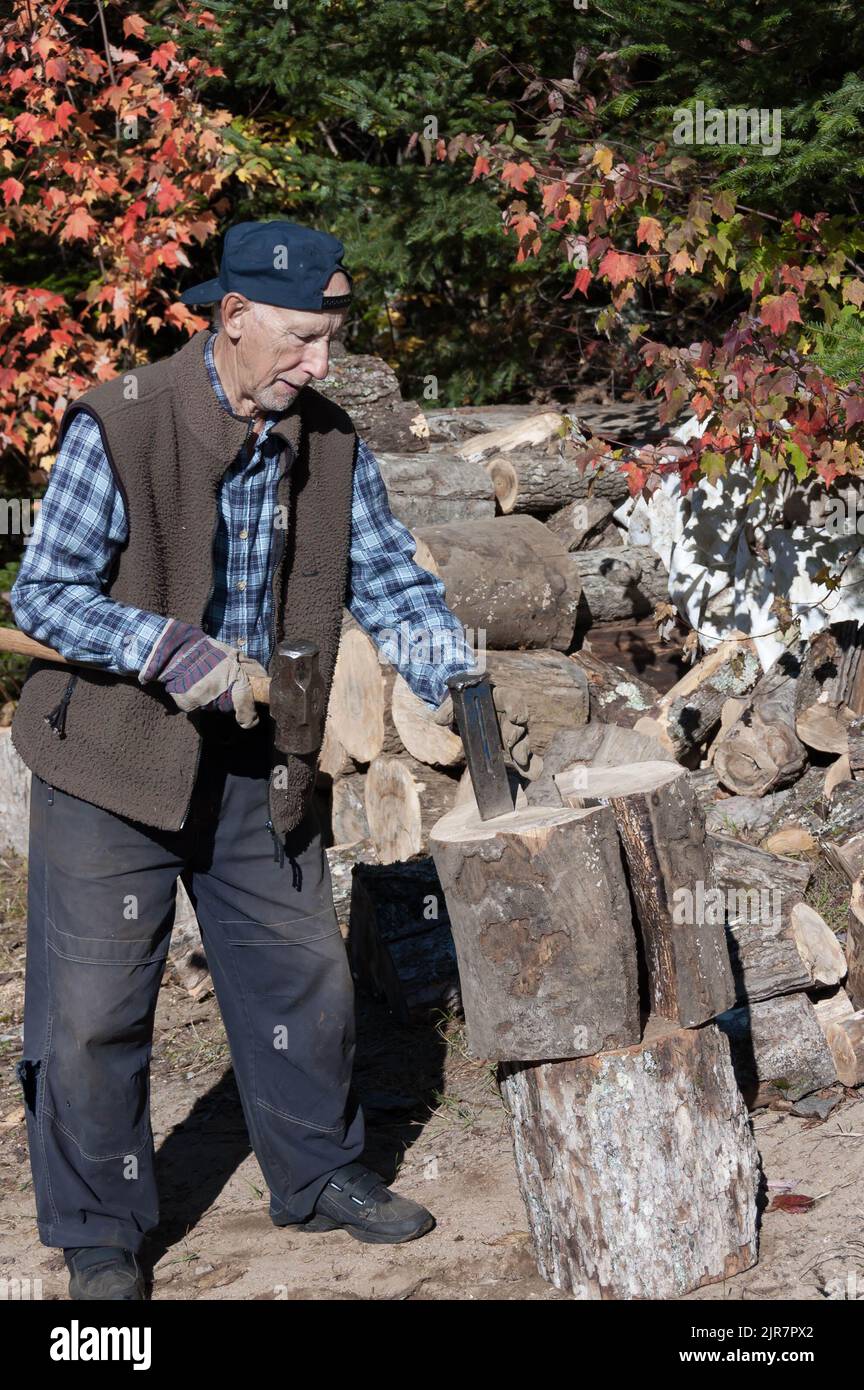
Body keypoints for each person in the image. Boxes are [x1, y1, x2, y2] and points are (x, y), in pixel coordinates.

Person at [9, 220, 522, 1301]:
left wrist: (455, 678)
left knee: (303, 975)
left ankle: (321, 1172)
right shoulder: (123, 424)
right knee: (94, 1008)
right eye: (299, 339)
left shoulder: (328, 439)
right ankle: (100, 1230)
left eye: (330, 338)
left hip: (257, 758)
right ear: (230, 317)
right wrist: (161, 645)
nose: (319, 364)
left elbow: (387, 576)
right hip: (110, 762)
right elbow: (42, 595)